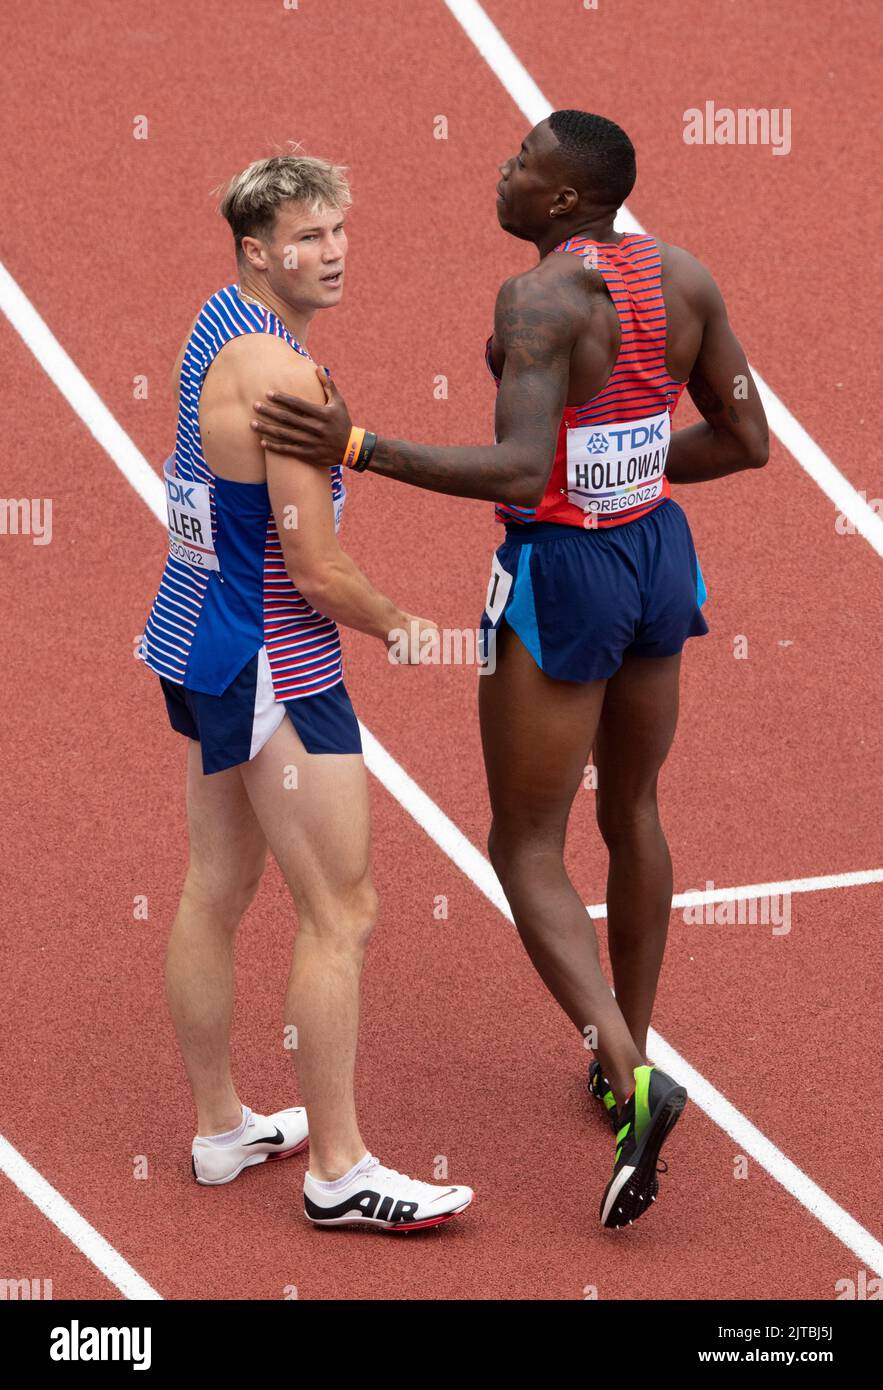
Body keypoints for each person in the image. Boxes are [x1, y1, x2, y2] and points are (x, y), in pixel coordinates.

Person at [249, 112, 770, 1228]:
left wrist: (358, 447)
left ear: (564, 201)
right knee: (631, 806)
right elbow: (745, 441)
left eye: (521, 164)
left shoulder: (537, 300)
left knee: (524, 841)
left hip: (565, 573)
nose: (503, 171)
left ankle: (629, 1074)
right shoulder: (682, 274)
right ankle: (626, 1056)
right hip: (657, 555)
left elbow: (521, 464)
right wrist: (622, 469)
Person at [138, 150, 473, 1231]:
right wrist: (406, 627)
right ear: (255, 249)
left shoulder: (214, 320)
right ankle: (339, 1172)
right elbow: (315, 570)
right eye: (307, 238)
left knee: (213, 888)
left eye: (338, 232)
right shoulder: (284, 376)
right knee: (343, 911)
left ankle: (221, 1129)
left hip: (194, 638)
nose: (331, 256)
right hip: (277, 662)